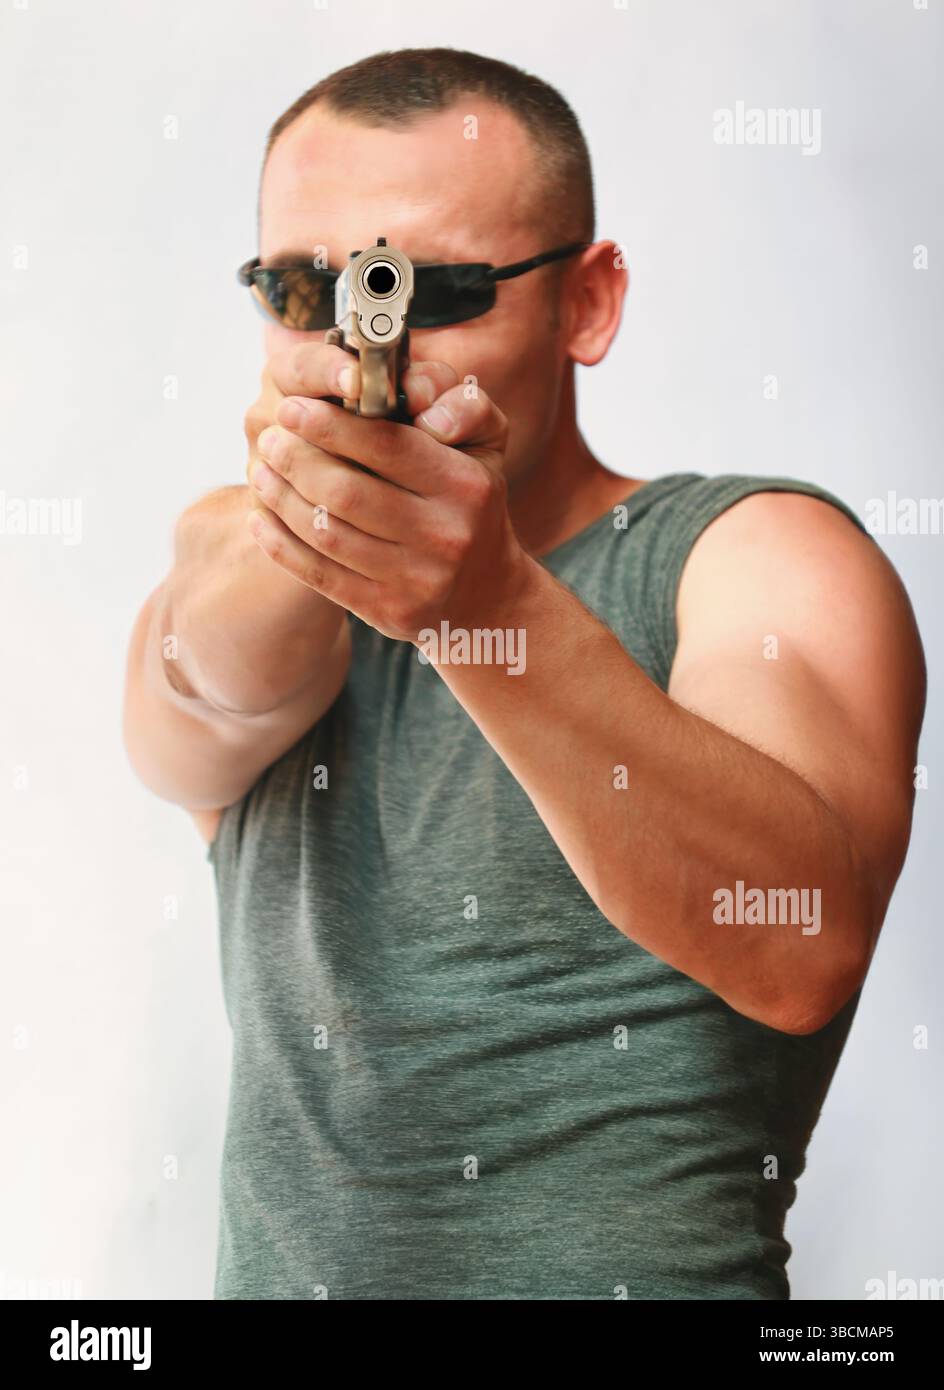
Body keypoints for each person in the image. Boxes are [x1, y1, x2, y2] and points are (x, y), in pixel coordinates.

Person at [122, 48, 926, 1300]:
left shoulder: (752, 556)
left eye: (426, 288)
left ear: (587, 304)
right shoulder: (243, 573)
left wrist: (484, 609)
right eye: (295, 289)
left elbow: (797, 939)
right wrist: (315, 538)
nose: (352, 335)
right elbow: (185, 706)